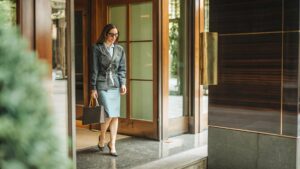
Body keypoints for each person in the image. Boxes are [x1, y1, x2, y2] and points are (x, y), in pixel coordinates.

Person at [90, 24, 126, 157]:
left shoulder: (120, 49)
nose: (114, 37)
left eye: (116, 35)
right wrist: (93, 88)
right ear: (105, 34)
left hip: (115, 85)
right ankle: (103, 136)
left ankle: (112, 144)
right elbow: (94, 69)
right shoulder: (97, 48)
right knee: (109, 114)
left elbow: (122, 69)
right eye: (111, 34)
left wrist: (123, 83)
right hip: (102, 84)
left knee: (115, 115)